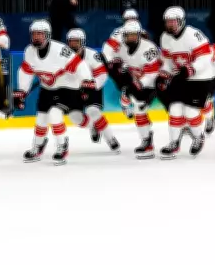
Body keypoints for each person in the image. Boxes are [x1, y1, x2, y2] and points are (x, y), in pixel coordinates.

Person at [13, 20, 94, 165]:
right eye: (34, 34)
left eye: (40, 34)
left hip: (68, 87)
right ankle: (38, 146)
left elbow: (79, 64)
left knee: (54, 114)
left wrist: (87, 80)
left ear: (48, 35)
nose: (36, 37)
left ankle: (62, 146)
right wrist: (22, 91)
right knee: (41, 118)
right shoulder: (29, 51)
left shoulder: (60, 50)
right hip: (48, 88)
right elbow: (26, 72)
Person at [158, 6, 215, 159]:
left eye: (173, 22)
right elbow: (168, 61)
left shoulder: (193, 35)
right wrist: (164, 73)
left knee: (191, 112)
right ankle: (174, 142)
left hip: (200, 78)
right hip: (181, 77)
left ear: (181, 22)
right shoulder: (165, 38)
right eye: (168, 22)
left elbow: (205, 58)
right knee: (174, 109)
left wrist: (191, 69)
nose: (170, 25)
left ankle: (199, 137)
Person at [65, 28, 120, 153]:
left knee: (93, 111)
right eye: (71, 42)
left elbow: (102, 74)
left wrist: (93, 84)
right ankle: (93, 126)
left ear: (83, 42)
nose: (73, 45)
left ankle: (110, 138)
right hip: (73, 90)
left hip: (91, 88)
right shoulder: (63, 56)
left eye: (76, 42)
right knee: (74, 117)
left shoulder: (92, 55)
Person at [116, 21, 161, 159]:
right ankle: (146, 139)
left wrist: (139, 83)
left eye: (134, 35)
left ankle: (148, 143)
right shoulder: (121, 48)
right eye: (128, 35)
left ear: (139, 35)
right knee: (136, 108)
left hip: (153, 83)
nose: (131, 38)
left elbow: (153, 74)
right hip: (136, 83)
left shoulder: (149, 48)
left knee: (139, 108)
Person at [102, 9, 147, 117]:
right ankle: (125, 102)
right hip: (120, 65)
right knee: (128, 85)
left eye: (133, 18)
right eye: (128, 19)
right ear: (124, 20)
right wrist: (112, 62)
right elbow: (106, 50)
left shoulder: (143, 33)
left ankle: (130, 101)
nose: (131, 21)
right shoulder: (117, 33)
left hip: (136, 65)